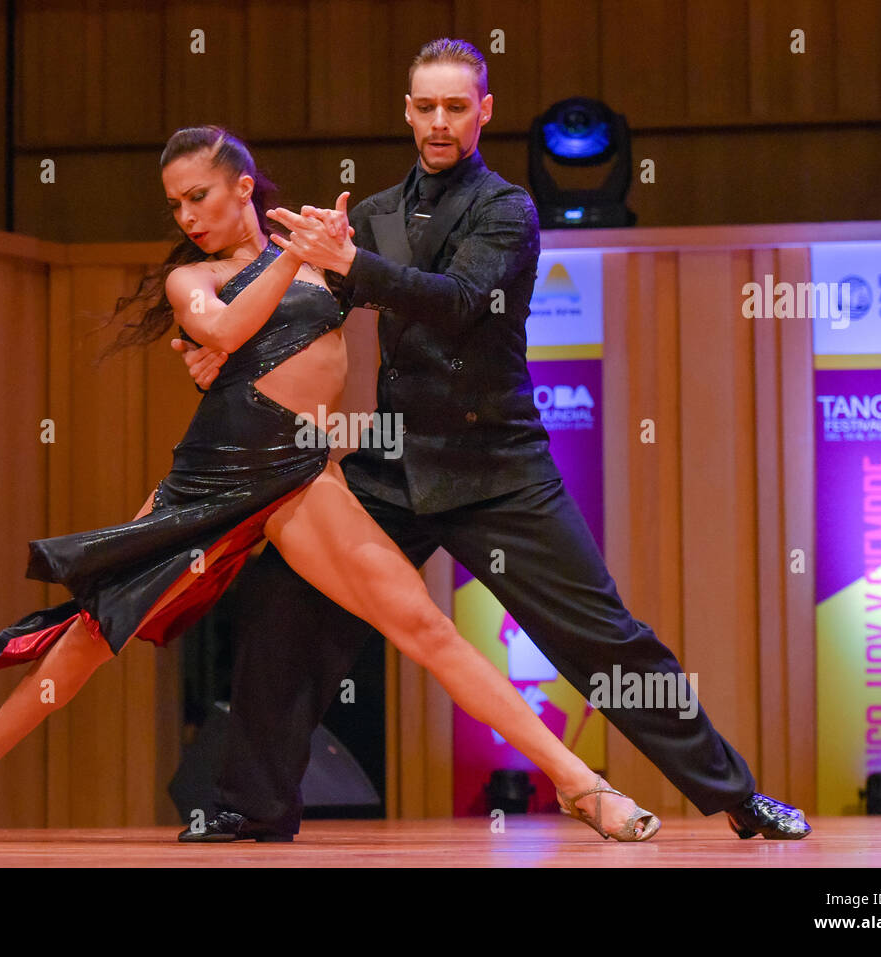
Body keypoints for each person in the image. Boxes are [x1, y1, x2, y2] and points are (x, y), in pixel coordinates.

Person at [0, 124, 661, 844]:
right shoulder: (197, 276)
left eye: (199, 196)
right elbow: (219, 332)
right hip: (209, 476)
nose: (187, 215)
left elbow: (409, 304)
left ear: (243, 186)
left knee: (426, 629)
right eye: (176, 204)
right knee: (92, 632)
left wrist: (335, 260)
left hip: (299, 477)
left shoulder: (322, 257)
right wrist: (292, 261)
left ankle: (578, 783)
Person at [174, 39, 811, 842]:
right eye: (424, 107)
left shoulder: (507, 209)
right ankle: (252, 804)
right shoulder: (366, 216)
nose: (439, 122)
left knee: (603, 639)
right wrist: (218, 346)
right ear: (407, 111)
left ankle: (736, 797)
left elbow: (460, 299)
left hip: (501, 471)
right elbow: (301, 317)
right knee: (282, 604)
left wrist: (351, 265)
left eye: (455, 106)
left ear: (484, 111)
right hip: (397, 466)